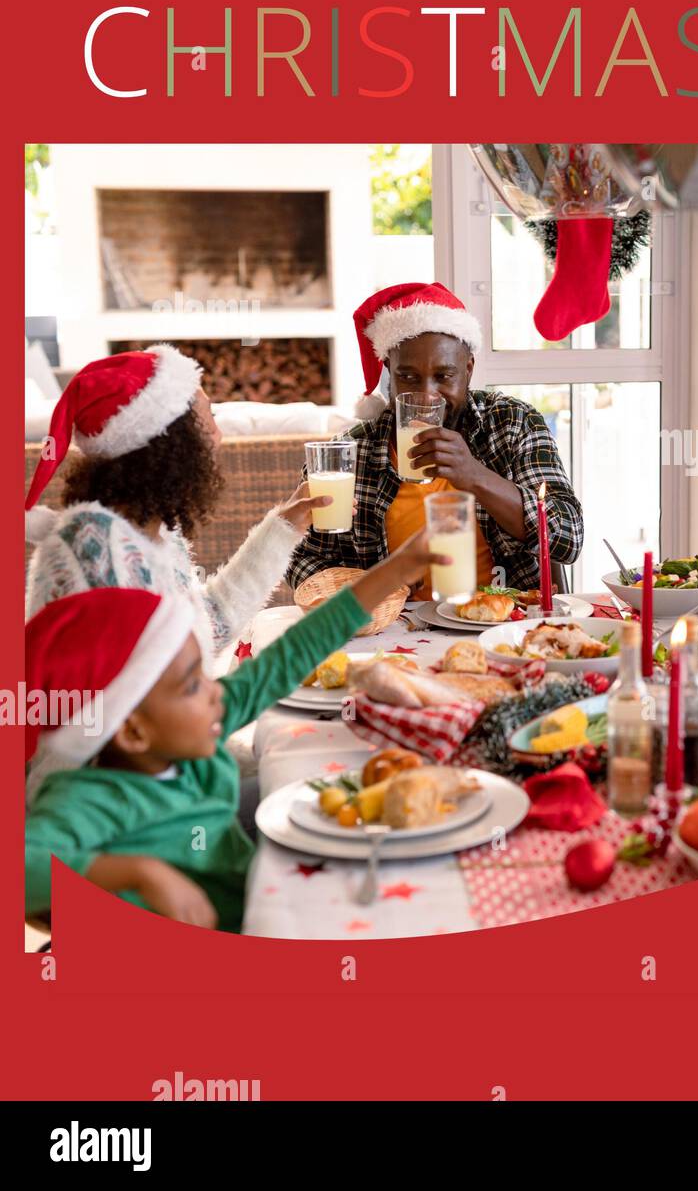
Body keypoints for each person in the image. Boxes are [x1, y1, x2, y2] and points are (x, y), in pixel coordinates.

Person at [24, 529, 446, 931]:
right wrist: (139, 872)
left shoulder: (187, 736)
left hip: (265, 902)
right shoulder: (89, 798)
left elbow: (292, 653)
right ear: (134, 733)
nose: (216, 692)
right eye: (192, 684)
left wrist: (395, 569)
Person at [25, 345, 326, 668]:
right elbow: (145, 697)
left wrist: (283, 528)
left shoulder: (153, 532)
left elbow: (207, 627)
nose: (218, 435)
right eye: (207, 418)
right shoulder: (98, 553)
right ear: (172, 443)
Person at [287, 282, 583, 597]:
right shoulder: (354, 453)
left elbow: (569, 538)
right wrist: (373, 587)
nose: (427, 397)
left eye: (443, 377)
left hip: (504, 627)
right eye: (408, 377)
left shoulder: (513, 424)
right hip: (397, 633)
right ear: (389, 372)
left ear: (468, 370)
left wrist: (475, 476)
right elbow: (300, 557)